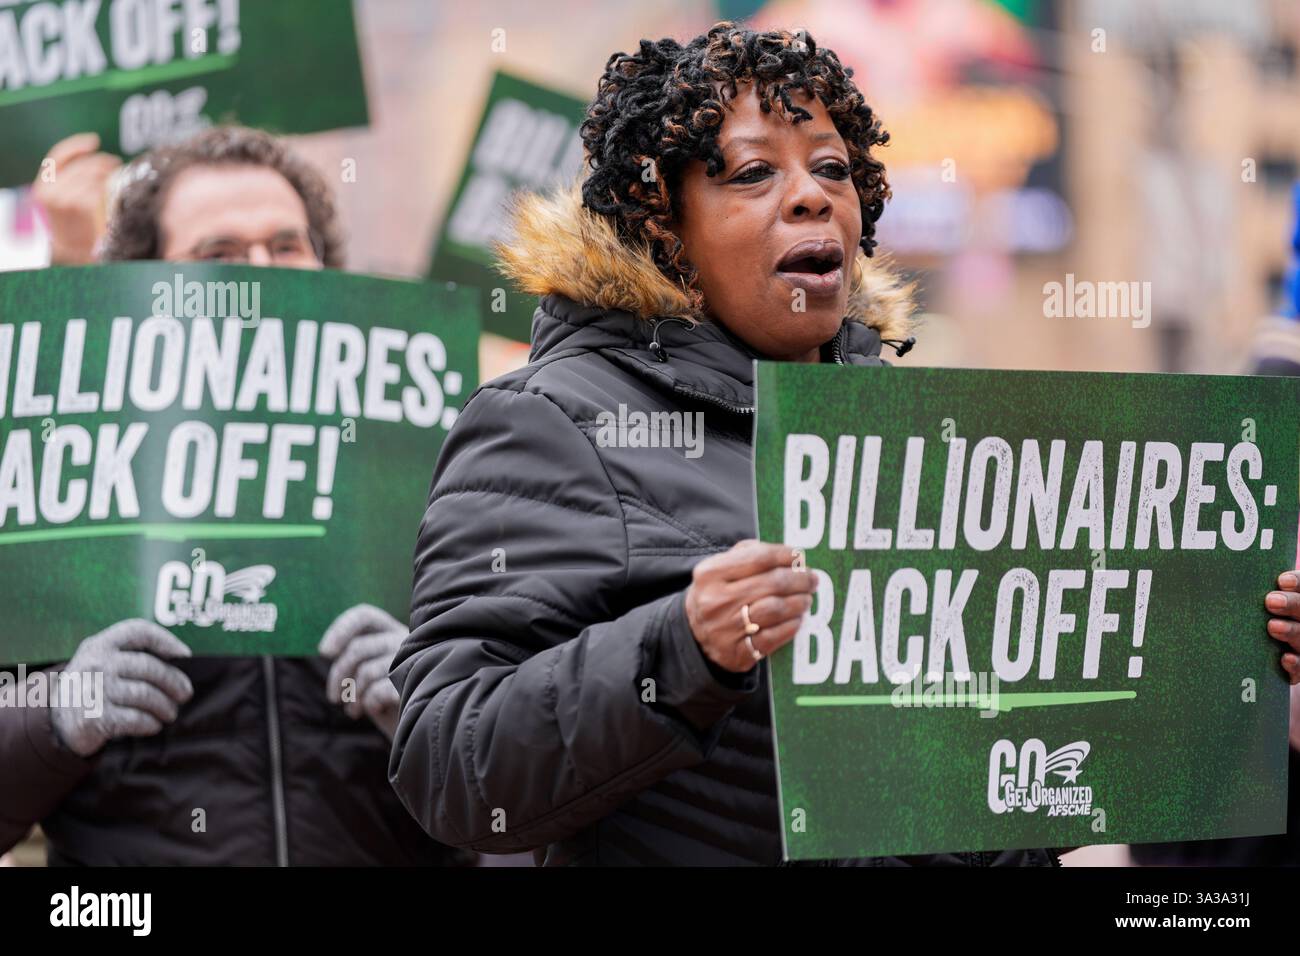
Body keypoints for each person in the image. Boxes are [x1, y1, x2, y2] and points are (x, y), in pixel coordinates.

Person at [389, 23, 1061, 866]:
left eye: (832, 169)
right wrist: (683, 649)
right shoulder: (551, 419)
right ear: (665, 228)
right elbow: (451, 765)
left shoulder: (920, 444)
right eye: (752, 173)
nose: (813, 196)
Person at [0, 126, 473, 866]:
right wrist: (55, 712)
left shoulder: (434, 457)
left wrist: (443, 714)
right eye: (218, 255)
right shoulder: (55, 479)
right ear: (140, 288)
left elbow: (547, 792)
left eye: (285, 246)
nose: (262, 275)